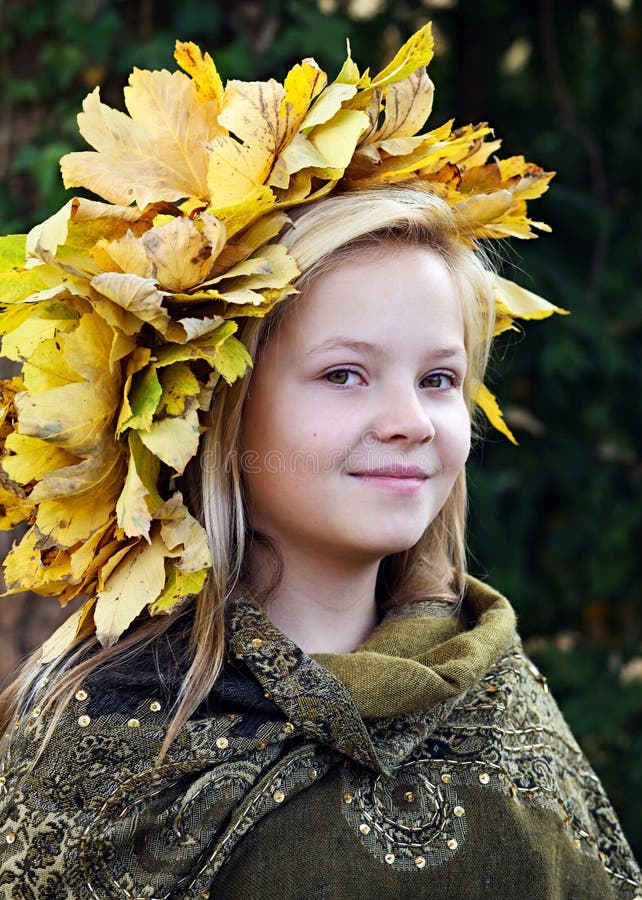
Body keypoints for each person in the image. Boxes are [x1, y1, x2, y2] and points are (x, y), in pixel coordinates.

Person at [0, 24, 639, 900]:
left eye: (439, 379)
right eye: (344, 374)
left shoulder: (502, 709)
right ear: (216, 412)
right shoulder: (101, 727)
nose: (410, 422)